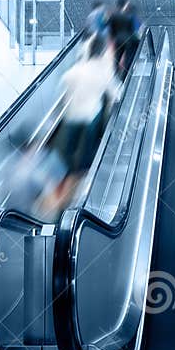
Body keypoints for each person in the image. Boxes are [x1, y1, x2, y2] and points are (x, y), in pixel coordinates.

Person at [40, 34, 122, 215]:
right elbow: (116, 94)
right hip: (90, 119)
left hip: (71, 118)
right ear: (100, 54)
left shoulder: (74, 71)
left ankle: (54, 194)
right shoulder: (102, 73)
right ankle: (74, 196)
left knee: (66, 156)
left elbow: (61, 92)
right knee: (84, 160)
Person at [108, 0, 142, 80]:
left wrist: (113, 38)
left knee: (117, 57)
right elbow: (135, 29)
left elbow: (111, 30)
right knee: (128, 58)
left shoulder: (113, 15)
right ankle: (125, 77)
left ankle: (114, 75)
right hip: (129, 40)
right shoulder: (130, 16)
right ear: (125, 4)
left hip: (118, 40)